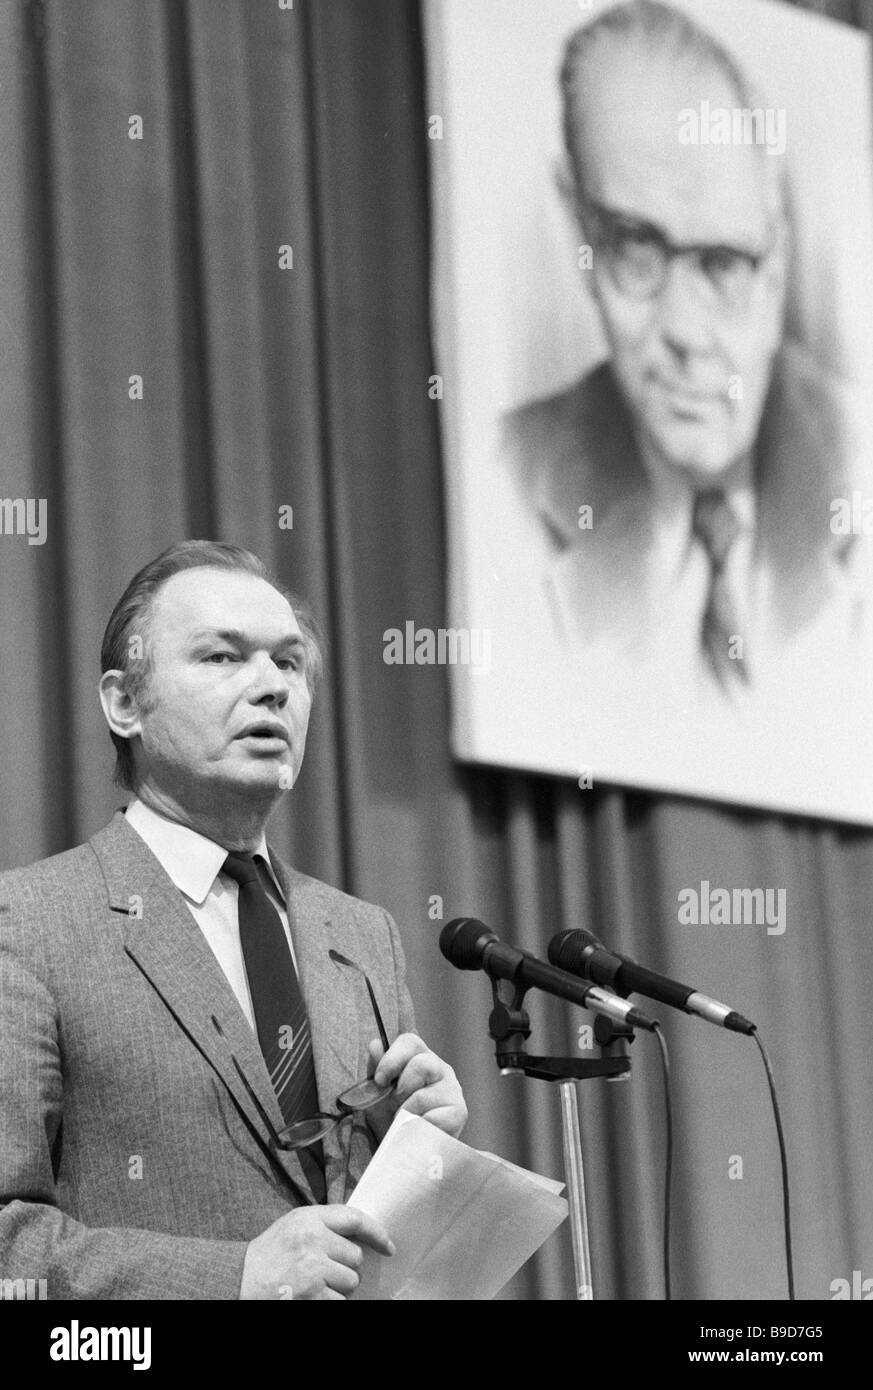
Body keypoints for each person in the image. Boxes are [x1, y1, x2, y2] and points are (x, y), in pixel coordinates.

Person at [0, 540, 467, 1300]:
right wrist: (231, 1278)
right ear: (123, 704)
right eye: (223, 657)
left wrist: (421, 1158)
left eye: (289, 664)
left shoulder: (360, 935)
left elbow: (365, 1241)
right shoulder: (28, 923)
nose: (271, 688)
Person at [501, 0, 870, 692]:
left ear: (778, 262)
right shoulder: (515, 481)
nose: (682, 332)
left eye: (722, 265)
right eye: (635, 248)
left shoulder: (858, 465)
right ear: (577, 230)